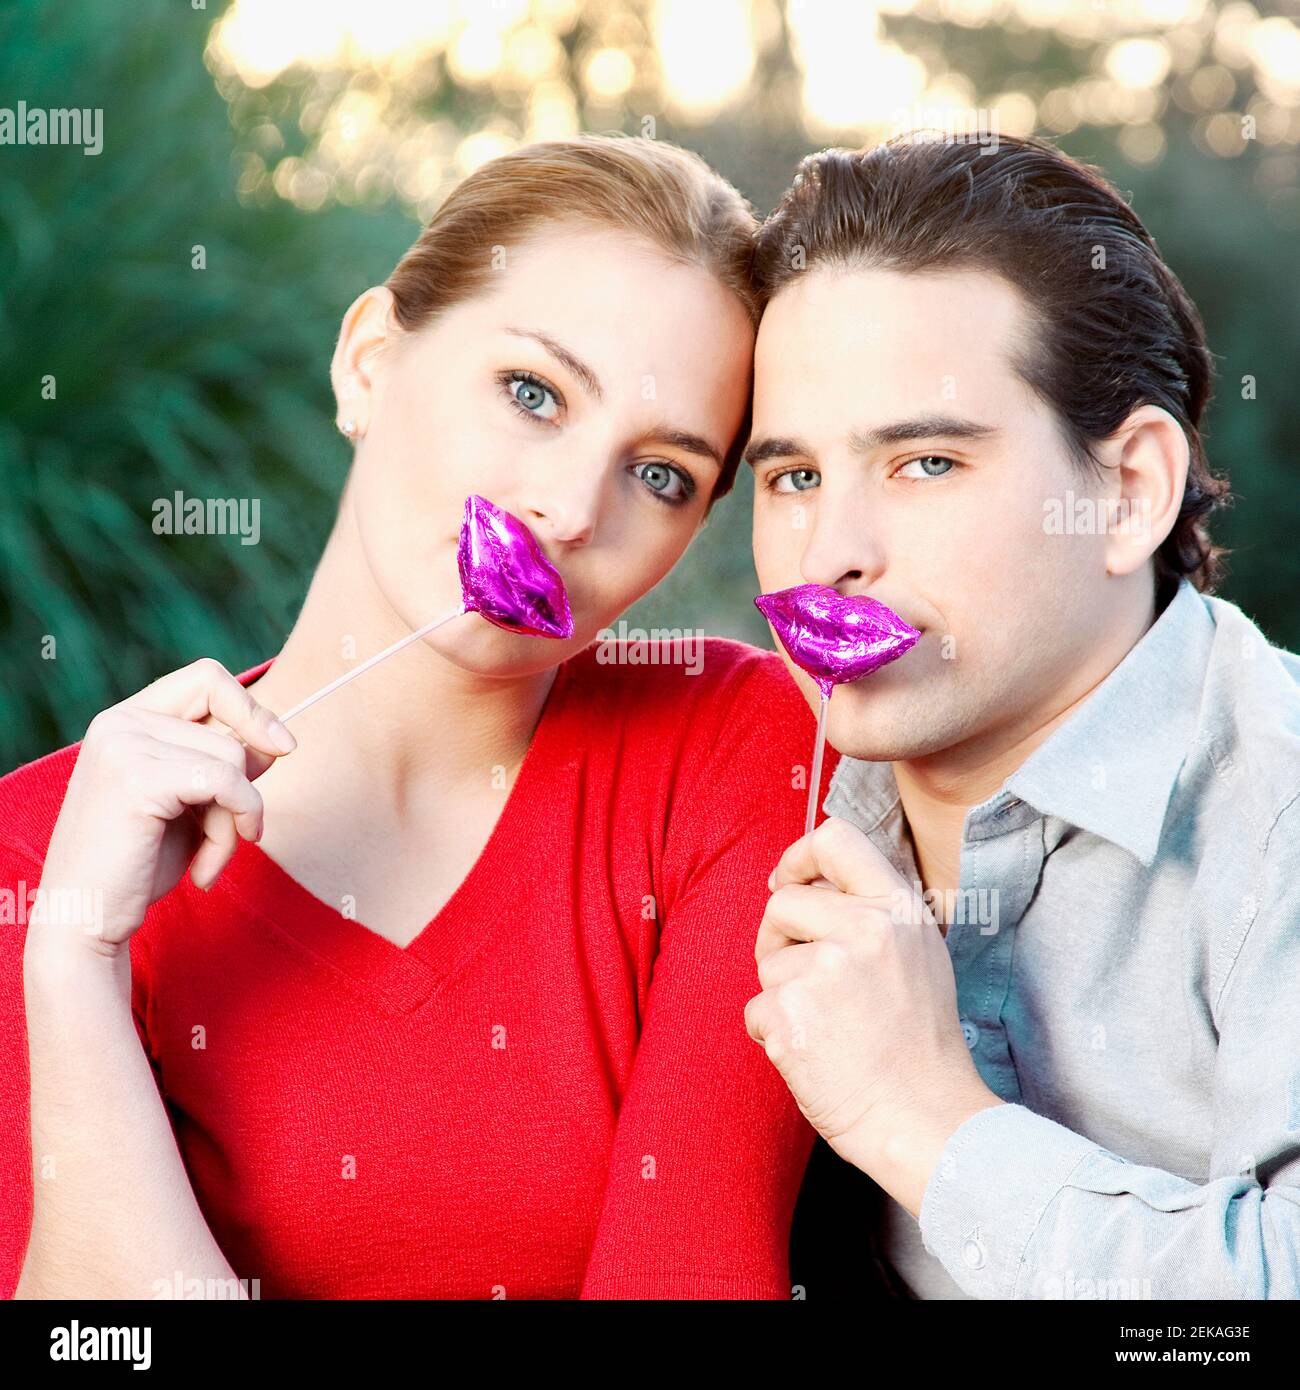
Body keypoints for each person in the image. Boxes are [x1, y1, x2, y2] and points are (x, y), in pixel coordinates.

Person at [0, 134, 830, 1300]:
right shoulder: (39, 849)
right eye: (533, 393)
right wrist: (78, 957)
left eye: (661, 474)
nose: (568, 510)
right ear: (370, 362)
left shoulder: (734, 748)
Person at [744, 132, 1300, 1299]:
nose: (828, 556)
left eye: (925, 462)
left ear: (1129, 490)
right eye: (792, 477)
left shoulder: (1277, 816)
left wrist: (923, 1119)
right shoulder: (739, 779)